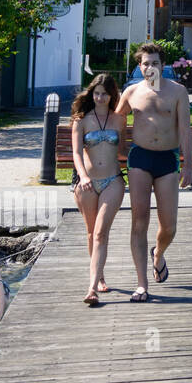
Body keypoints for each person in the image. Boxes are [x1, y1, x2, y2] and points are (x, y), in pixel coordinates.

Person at [113, 42, 192, 302]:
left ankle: (157, 253)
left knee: (169, 226)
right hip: (140, 159)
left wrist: (188, 164)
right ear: (140, 66)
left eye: (155, 63)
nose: (150, 67)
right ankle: (142, 284)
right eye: (146, 63)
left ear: (163, 65)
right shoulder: (131, 92)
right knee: (139, 222)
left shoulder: (178, 92)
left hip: (168, 160)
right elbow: (116, 120)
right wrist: (118, 148)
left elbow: (184, 130)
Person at [70, 74, 126, 306]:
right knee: (92, 233)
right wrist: (83, 176)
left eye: (104, 93)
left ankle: (91, 288)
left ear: (112, 95)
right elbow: (75, 153)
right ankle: (100, 275)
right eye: (96, 92)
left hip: (113, 180)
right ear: (91, 94)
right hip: (87, 183)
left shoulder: (119, 120)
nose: (100, 97)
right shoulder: (81, 119)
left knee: (102, 232)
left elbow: (122, 150)